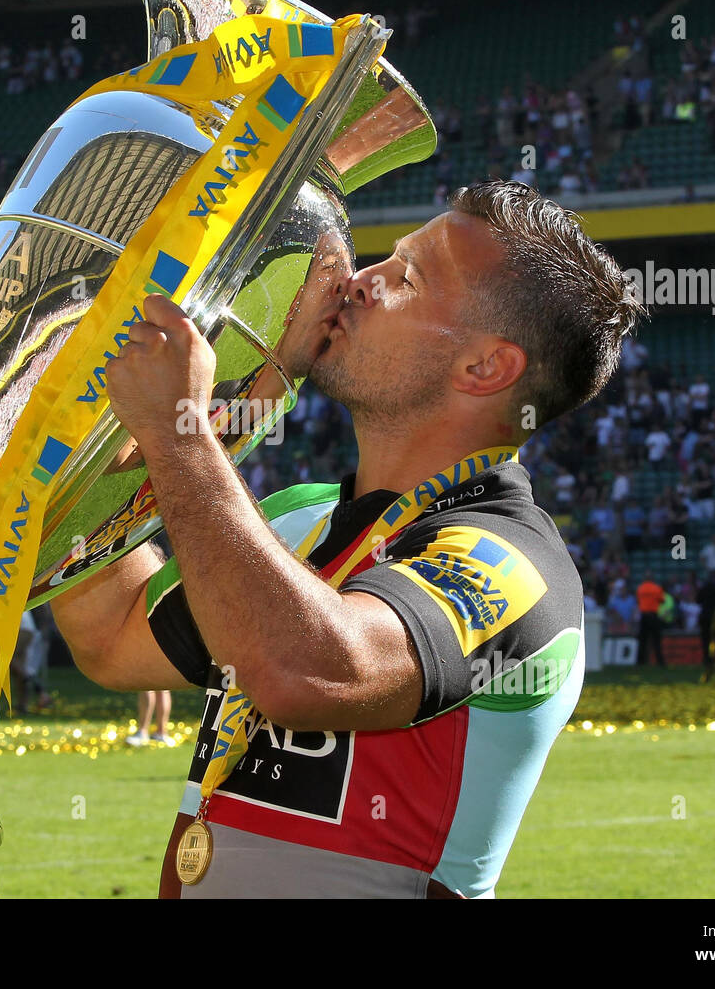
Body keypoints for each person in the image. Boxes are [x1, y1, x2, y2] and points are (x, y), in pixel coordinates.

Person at [51, 179, 644, 898]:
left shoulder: (513, 564)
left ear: (484, 367)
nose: (361, 281)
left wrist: (182, 434)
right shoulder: (298, 519)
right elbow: (108, 634)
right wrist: (79, 429)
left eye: (406, 278)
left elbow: (307, 670)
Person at [635, 573, 666, 669]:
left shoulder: (640, 588)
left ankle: (640, 662)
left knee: (642, 641)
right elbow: (662, 600)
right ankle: (660, 662)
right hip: (653, 616)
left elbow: (638, 601)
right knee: (656, 640)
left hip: (644, 616)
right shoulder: (657, 588)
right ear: (652, 579)